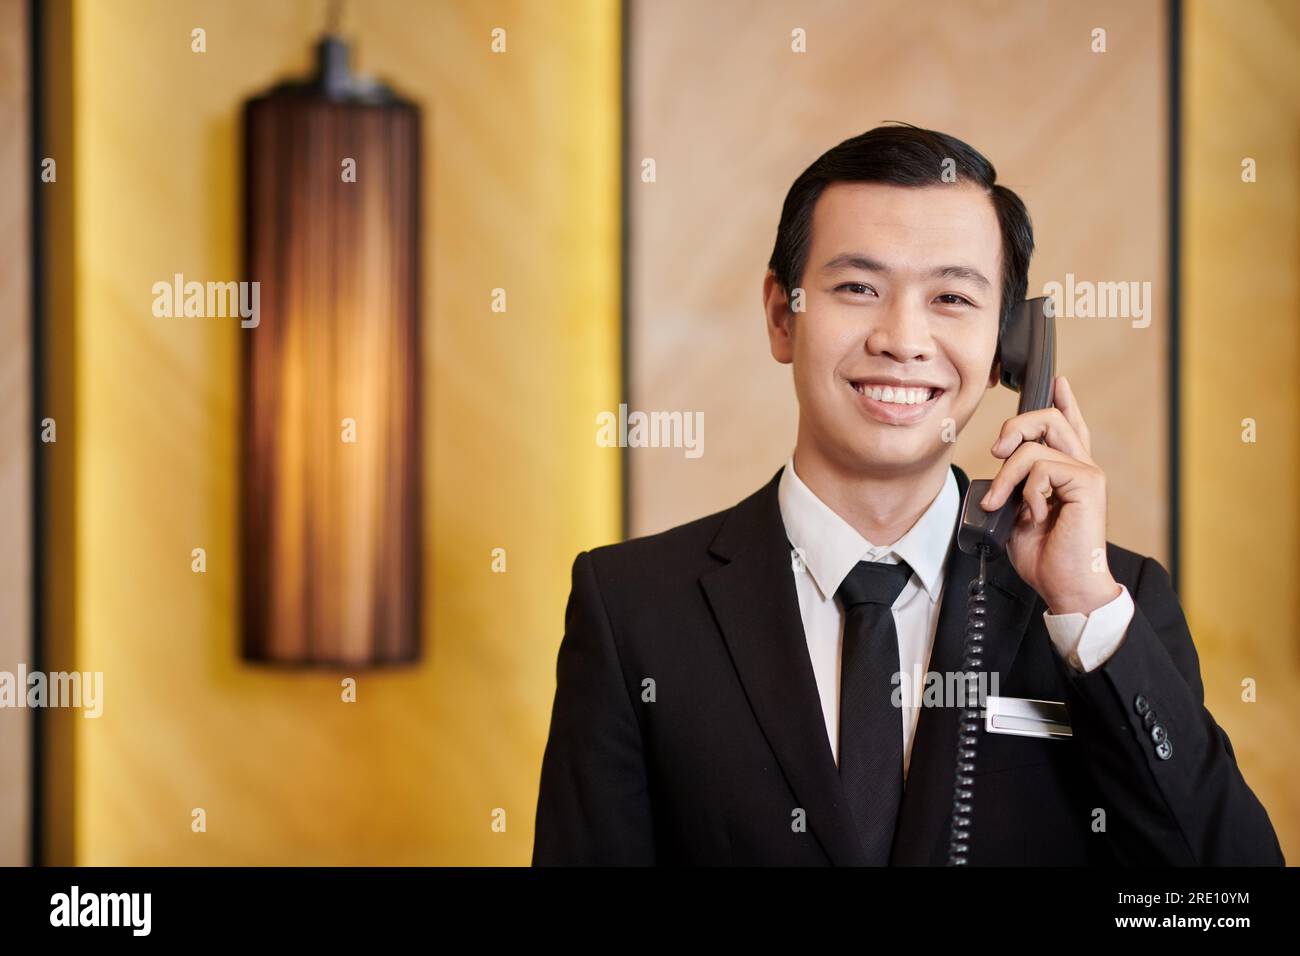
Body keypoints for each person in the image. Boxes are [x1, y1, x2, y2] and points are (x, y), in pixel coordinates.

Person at [532, 123, 1284, 865]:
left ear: (1010, 350)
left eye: (952, 298)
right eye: (858, 287)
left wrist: (1085, 610)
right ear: (780, 314)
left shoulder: (1109, 602)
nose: (902, 338)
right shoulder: (631, 606)